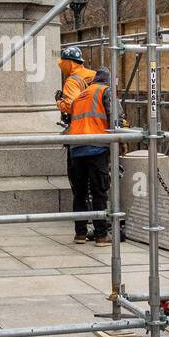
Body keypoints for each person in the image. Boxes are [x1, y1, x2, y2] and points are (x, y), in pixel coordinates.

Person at [66, 66, 114, 246]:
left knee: (79, 193)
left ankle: (80, 234)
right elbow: (115, 117)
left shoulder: (81, 94)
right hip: (96, 147)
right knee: (99, 191)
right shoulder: (105, 91)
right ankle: (101, 235)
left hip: (76, 149)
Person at [55, 46, 95, 124]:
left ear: (69, 63)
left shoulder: (72, 81)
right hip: (99, 122)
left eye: (63, 63)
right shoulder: (94, 74)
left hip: (82, 124)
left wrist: (59, 103)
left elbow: (71, 106)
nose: (61, 66)